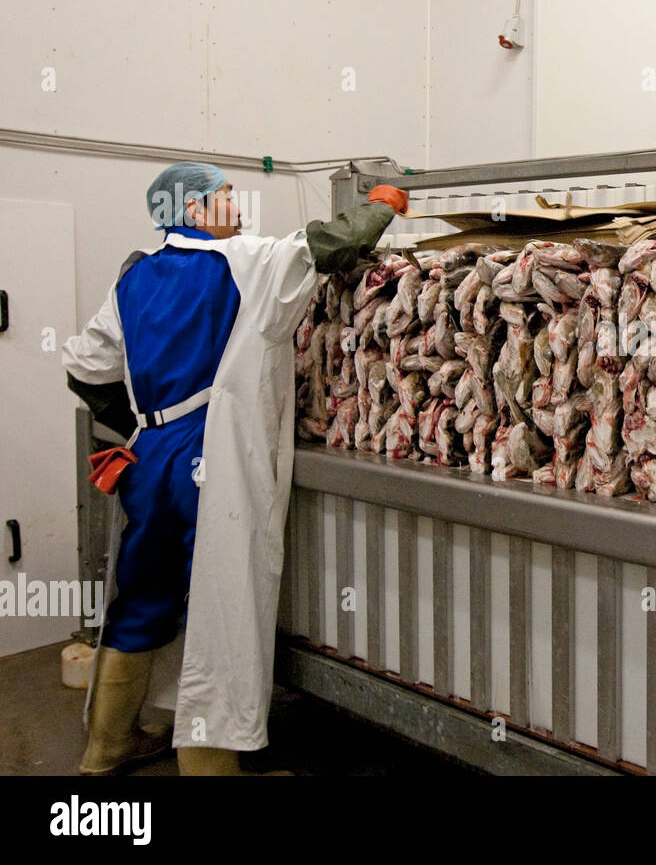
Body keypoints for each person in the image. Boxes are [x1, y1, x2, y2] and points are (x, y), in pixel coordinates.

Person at [63, 161, 408, 775]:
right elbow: (332, 244)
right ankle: (209, 768)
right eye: (225, 196)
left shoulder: (133, 277)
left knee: (142, 593)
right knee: (223, 606)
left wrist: (140, 421)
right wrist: (383, 201)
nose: (238, 206)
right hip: (213, 457)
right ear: (192, 211)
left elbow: (84, 369)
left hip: (149, 458)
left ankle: (105, 748)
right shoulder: (243, 261)